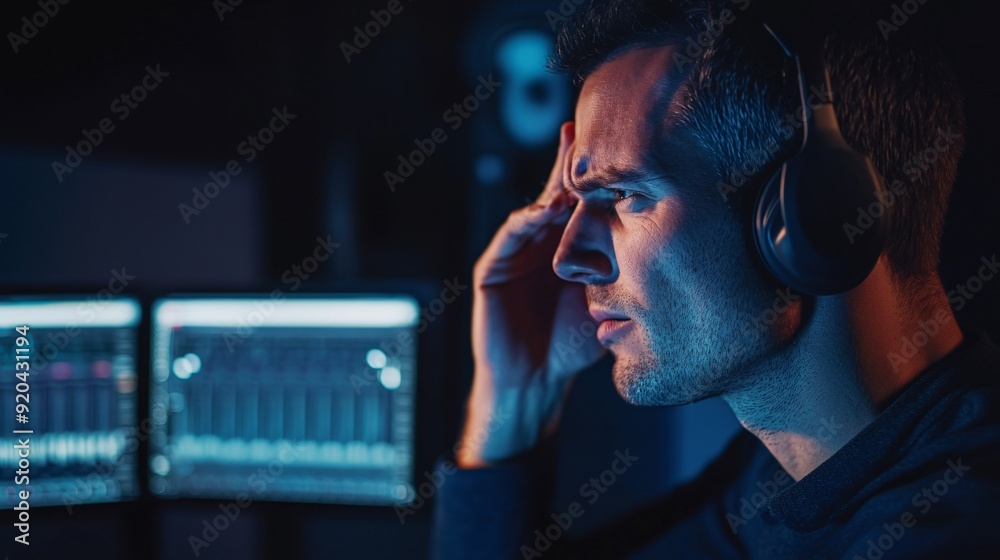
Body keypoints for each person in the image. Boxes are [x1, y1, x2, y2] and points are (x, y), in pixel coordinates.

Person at [430, 0, 1000, 558]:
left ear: (818, 210)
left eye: (625, 194)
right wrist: (515, 395)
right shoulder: (779, 478)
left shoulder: (956, 530)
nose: (566, 259)